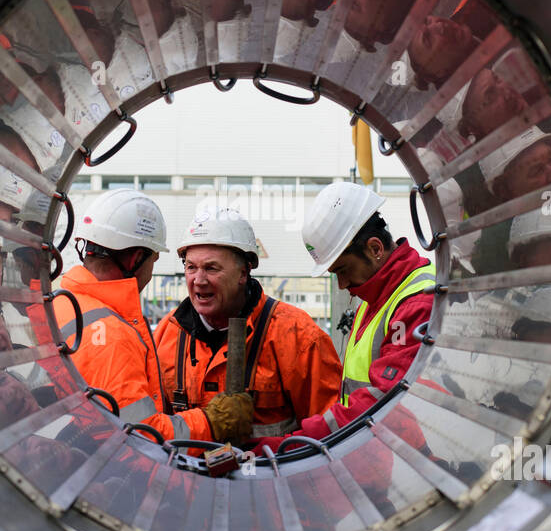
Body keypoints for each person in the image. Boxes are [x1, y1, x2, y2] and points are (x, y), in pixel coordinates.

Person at [40, 190, 253, 445]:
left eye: (212, 268)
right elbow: (142, 439)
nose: (199, 279)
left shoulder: (62, 303)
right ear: (136, 258)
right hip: (114, 463)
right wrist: (211, 422)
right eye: (153, 258)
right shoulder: (113, 334)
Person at [253, 183, 437, 453]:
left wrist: (292, 446)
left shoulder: (416, 302)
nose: (341, 284)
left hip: (409, 459)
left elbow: (382, 402)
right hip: (378, 454)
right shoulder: (377, 297)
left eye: (342, 270)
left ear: (375, 248)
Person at [154, 209, 343, 441]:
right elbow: (152, 432)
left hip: (273, 464)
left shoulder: (297, 336)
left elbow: (329, 434)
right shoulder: (167, 335)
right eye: (191, 267)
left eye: (211, 268)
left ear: (243, 273)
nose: (199, 280)